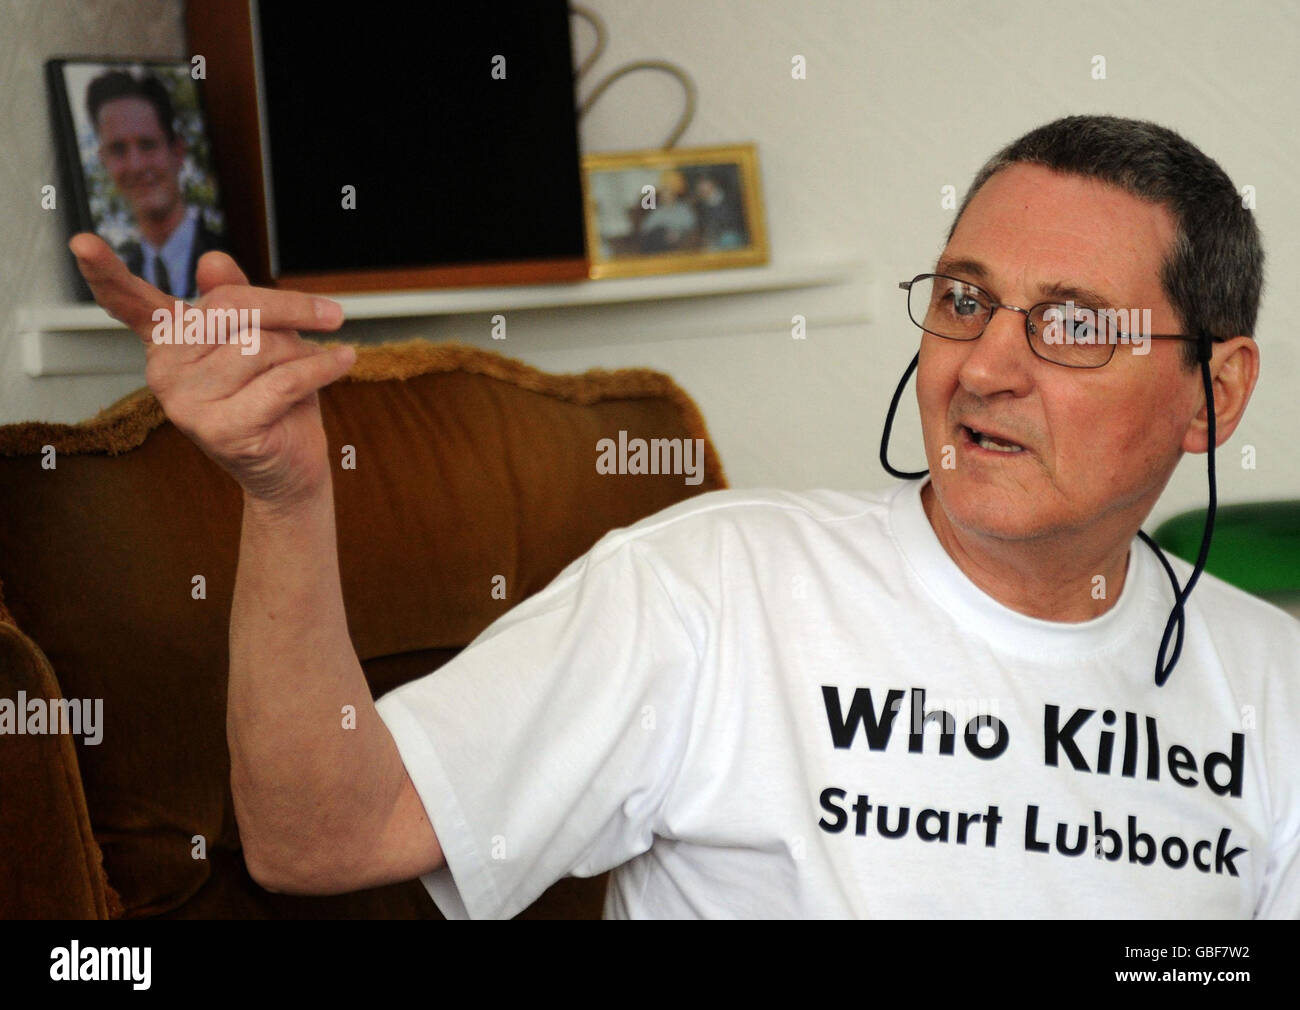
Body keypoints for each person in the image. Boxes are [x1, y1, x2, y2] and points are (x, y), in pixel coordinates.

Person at [68, 114, 1299, 919]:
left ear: (1212, 392)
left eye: (1072, 323)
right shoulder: (716, 584)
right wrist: (285, 498)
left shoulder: (1274, 687)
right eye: (965, 298)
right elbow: (318, 834)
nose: (982, 367)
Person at [85, 69, 226, 299]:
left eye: (148, 145)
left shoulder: (233, 259)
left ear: (178, 152)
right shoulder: (116, 286)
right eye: (118, 149)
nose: (136, 165)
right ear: (104, 161)